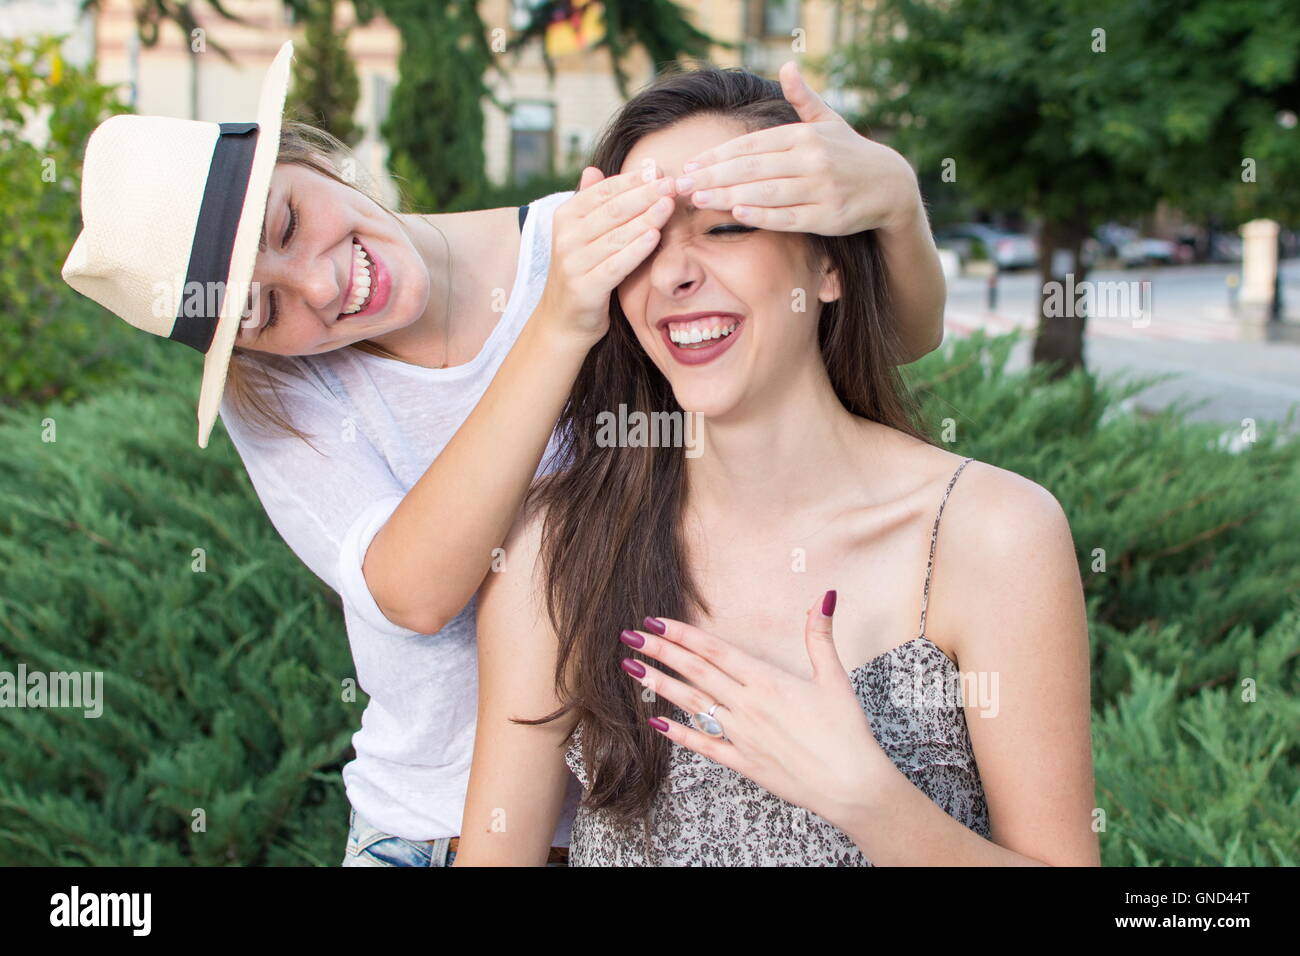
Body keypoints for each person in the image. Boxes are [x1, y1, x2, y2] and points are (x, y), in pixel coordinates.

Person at [62, 42, 951, 866]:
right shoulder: (290, 398)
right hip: (429, 827)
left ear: (308, 155)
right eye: (260, 311)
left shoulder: (581, 237)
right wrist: (561, 324)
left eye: (288, 224)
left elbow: (858, 336)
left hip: (641, 812)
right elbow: (412, 592)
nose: (322, 286)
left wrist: (893, 201)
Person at [454, 67, 1099, 866]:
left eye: (725, 228)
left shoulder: (990, 535)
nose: (673, 273)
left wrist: (867, 799)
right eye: (641, 240)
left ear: (828, 268)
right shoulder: (557, 545)